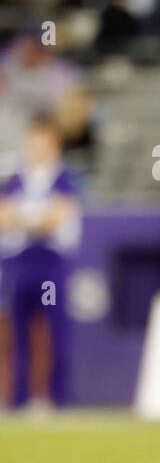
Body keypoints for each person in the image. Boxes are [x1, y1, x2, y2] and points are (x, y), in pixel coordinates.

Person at [0, 117, 81, 409]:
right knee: (18, 331)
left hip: (50, 263)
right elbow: (4, 216)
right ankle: (19, 398)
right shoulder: (16, 179)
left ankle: (56, 398)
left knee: (54, 329)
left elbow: (57, 217)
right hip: (22, 263)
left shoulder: (64, 176)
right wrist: (36, 220)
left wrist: (26, 220)